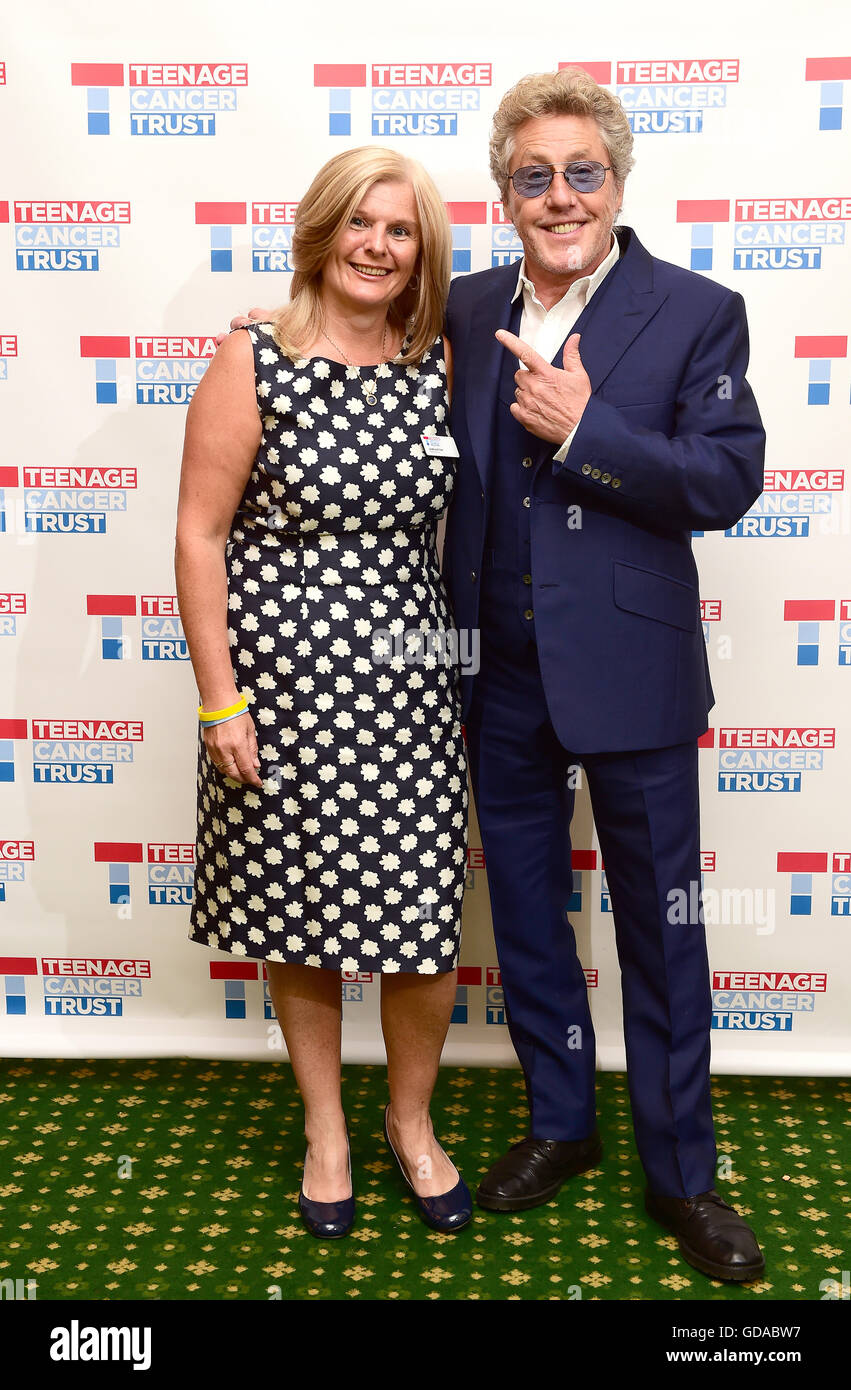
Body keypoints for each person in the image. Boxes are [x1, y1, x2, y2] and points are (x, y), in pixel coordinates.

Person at [440, 67, 766, 1282]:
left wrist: (586, 432)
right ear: (506, 195)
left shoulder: (694, 310)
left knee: (661, 929)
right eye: (534, 176)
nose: (559, 194)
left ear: (617, 182)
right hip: (498, 678)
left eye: (581, 171)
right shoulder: (464, 306)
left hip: (631, 674)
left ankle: (681, 1173)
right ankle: (559, 1124)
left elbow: (724, 479)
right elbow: (352, 341)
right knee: (526, 915)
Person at [175, 145, 472, 1240]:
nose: (376, 245)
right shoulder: (253, 355)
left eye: (398, 231)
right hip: (280, 682)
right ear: (321, 230)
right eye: (359, 223)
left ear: (418, 251)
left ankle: (409, 1122)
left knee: (418, 918)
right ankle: (325, 1131)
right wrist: (221, 700)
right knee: (295, 908)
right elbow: (200, 535)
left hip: (408, 682)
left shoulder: (435, 360)